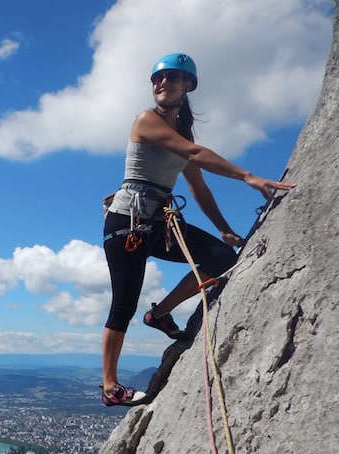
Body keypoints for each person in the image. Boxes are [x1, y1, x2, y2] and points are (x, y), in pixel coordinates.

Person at [100, 52, 295, 407]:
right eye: (158, 79)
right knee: (122, 304)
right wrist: (247, 176)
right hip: (127, 223)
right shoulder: (146, 120)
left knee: (221, 257)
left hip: (158, 224)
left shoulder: (181, 131)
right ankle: (110, 386)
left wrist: (224, 230)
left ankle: (159, 314)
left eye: (172, 78)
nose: (163, 83)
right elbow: (193, 153)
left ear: (187, 85)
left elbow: (198, 188)